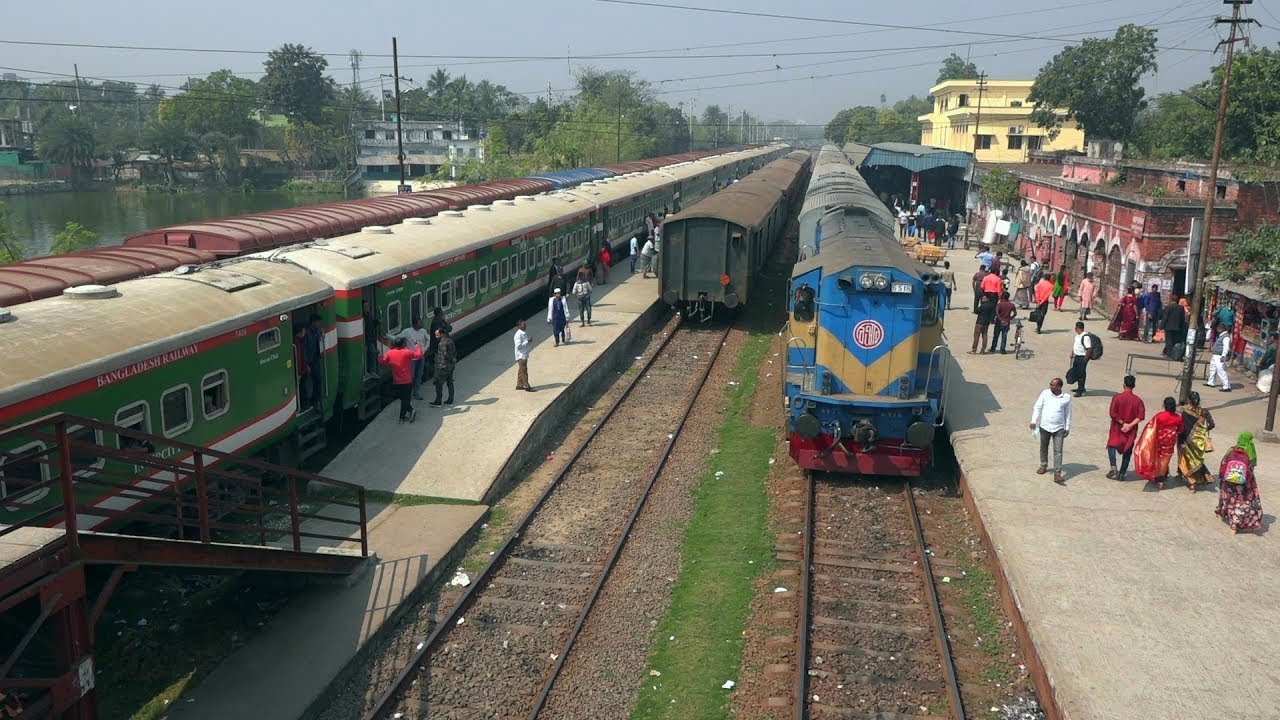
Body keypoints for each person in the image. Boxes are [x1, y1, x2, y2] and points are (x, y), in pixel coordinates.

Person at [1216, 432, 1263, 533]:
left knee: (1229, 499)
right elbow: (1251, 469)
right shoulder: (1250, 452)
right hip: (1243, 484)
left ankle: (1224, 512)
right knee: (1241, 503)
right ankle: (1235, 524)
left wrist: (1222, 478)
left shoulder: (1231, 450)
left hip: (1229, 482)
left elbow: (1223, 464)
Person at [1134, 396, 1183, 490]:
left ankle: (1158, 477)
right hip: (1170, 442)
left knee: (1157, 458)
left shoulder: (1159, 416)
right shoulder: (1178, 418)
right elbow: (1180, 429)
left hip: (1159, 440)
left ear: (1164, 405)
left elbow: (1150, 428)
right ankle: (1162, 479)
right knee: (1165, 460)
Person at [1030, 377, 1072, 484]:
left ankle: (1057, 474)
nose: (1050, 386)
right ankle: (1043, 465)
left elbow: (1068, 414)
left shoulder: (1066, 397)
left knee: (1058, 451)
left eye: (1053, 385)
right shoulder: (1045, 393)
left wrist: (1067, 427)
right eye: (1050, 384)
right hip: (1045, 426)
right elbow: (1037, 407)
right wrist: (1034, 420)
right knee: (1043, 447)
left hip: (1059, 428)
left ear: (1059, 387)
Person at [1178, 391, 1216, 492]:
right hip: (1199, 441)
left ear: (1189, 400)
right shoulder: (1204, 411)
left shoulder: (1185, 411)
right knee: (1197, 460)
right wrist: (1202, 431)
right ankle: (1198, 478)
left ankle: (1192, 483)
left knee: (1187, 459)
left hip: (1186, 439)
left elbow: (1182, 426)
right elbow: (1212, 425)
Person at [379, 337, 423, 424]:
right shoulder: (407, 352)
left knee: (402, 398)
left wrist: (378, 355)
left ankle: (409, 412)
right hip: (407, 381)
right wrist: (416, 345)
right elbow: (419, 355)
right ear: (403, 344)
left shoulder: (390, 353)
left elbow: (382, 362)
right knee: (405, 399)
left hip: (396, 381)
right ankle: (403, 417)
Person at [395, 318, 431, 400]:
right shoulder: (407, 331)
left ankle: (416, 393)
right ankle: (408, 393)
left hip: (421, 357)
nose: (421, 324)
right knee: (411, 376)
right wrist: (387, 335)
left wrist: (425, 349)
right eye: (419, 322)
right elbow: (397, 337)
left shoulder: (423, 331)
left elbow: (428, 339)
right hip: (411, 359)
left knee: (419, 375)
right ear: (414, 324)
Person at [429, 326, 457, 408]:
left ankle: (438, 401)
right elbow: (453, 353)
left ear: (442, 334)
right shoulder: (450, 340)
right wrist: (453, 360)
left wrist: (450, 360)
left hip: (443, 366)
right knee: (450, 382)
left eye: (437, 335)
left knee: (438, 383)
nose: (436, 337)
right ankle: (450, 400)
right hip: (451, 366)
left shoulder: (442, 343)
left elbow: (445, 354)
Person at [303, 315, 324, 412]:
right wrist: (306, 363)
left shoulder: (316, 331)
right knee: (312, 380)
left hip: (315, 359)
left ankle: (314, 400)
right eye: (318, 322)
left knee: (318, 380)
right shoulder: (307, 333)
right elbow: (304, 349)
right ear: (313, 322)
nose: (319, 324)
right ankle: (312, 401)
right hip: (310, 360)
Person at [1206, 321, 1232, 391]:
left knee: (1221, 370)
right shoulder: (1222, 336)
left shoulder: (1226, 337)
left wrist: (1223, 356)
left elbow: (1226, 347)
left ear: (1221, 329)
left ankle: (1226, 386)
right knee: (1212, 368)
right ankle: (1211, 382)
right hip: (1216, 355)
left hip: (1219, 356)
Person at [1069, 321, 1092, 397]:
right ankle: (1081, 387)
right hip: (1077, 357)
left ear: (1076, 328)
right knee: (1076, 372)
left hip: (1082, 357)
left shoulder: (1085, 337)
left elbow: (1089, 349)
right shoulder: (1077, 336)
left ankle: (1080, 391)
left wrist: (1085, 359)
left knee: (1081, 374)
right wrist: (1072, 353)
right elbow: (1075, 345)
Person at [514, 319, 533, 391]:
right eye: (523, 324)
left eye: (525, 324)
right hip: (521, 356)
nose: (525, 326)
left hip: (523, 355)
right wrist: (527, 341)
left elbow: (524, 343)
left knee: (521, 370)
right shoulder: (518, 335)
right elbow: (518, 346)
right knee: (524, 371)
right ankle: (526, 386)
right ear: (519, 326)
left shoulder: (523, 333)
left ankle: (519, 385)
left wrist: (528, 341)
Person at [362, 300, 379, 379]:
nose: (367, 308)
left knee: (372, 354)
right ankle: (367, 372)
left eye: (368, 306)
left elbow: (371, 325)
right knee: (368, 355)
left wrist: (376, 322)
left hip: (370, 339)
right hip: (365, 340)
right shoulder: (363, 317)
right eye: (365, 307)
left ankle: (371, 371)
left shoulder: (368, 315)